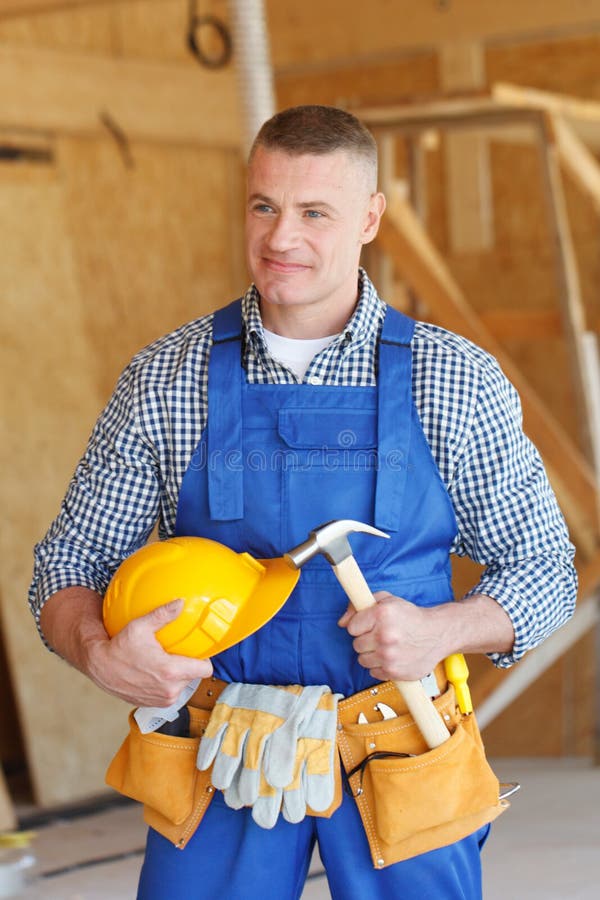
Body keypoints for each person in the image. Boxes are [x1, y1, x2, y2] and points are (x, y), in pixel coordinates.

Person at [30, 105, 576, 899]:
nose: (281, 237)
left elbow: (545, 568)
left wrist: (441, 631)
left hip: (400, 742)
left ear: (370, 219)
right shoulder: (166, 379)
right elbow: (69, 563)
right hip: (224, 752)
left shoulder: (453, 380)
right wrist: (97, 652)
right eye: (265, 205)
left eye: (315, 212)